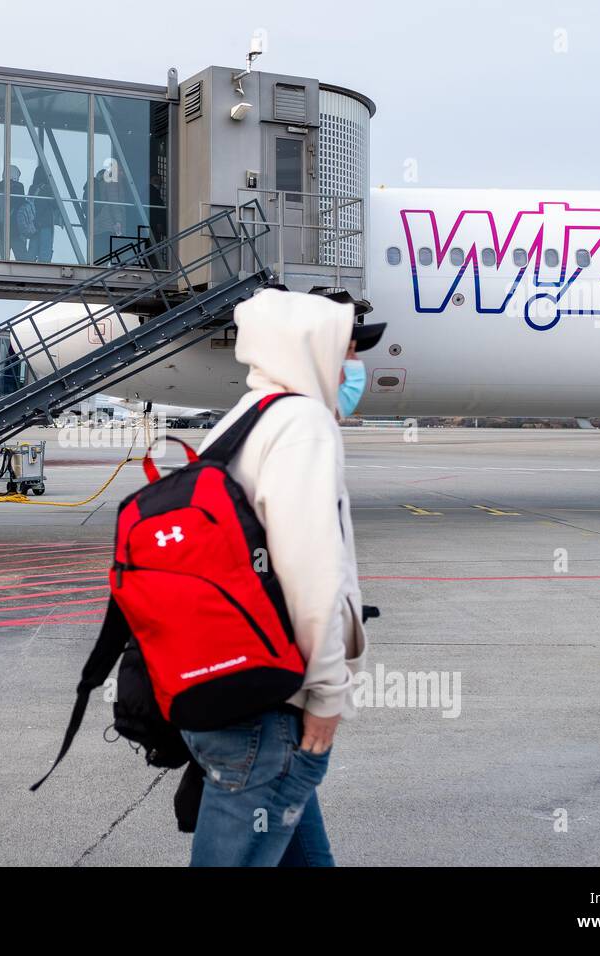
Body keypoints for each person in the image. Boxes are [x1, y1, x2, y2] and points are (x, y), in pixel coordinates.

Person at [183, 287, 381, 867]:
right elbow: (312, 572)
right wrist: (326, 692)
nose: (355, 366)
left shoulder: (241, 421)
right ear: (309, 350)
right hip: (271, 713)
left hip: (224, 685)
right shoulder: (303, 424)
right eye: (346, 350)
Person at [27, 166, 57, 264]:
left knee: (32, 250)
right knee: (45, 252)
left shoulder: (32, 188)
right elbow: (56, 205)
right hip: (45, 223)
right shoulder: (49, 189)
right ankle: (44, 271)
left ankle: (29, 269)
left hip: (34, 223)